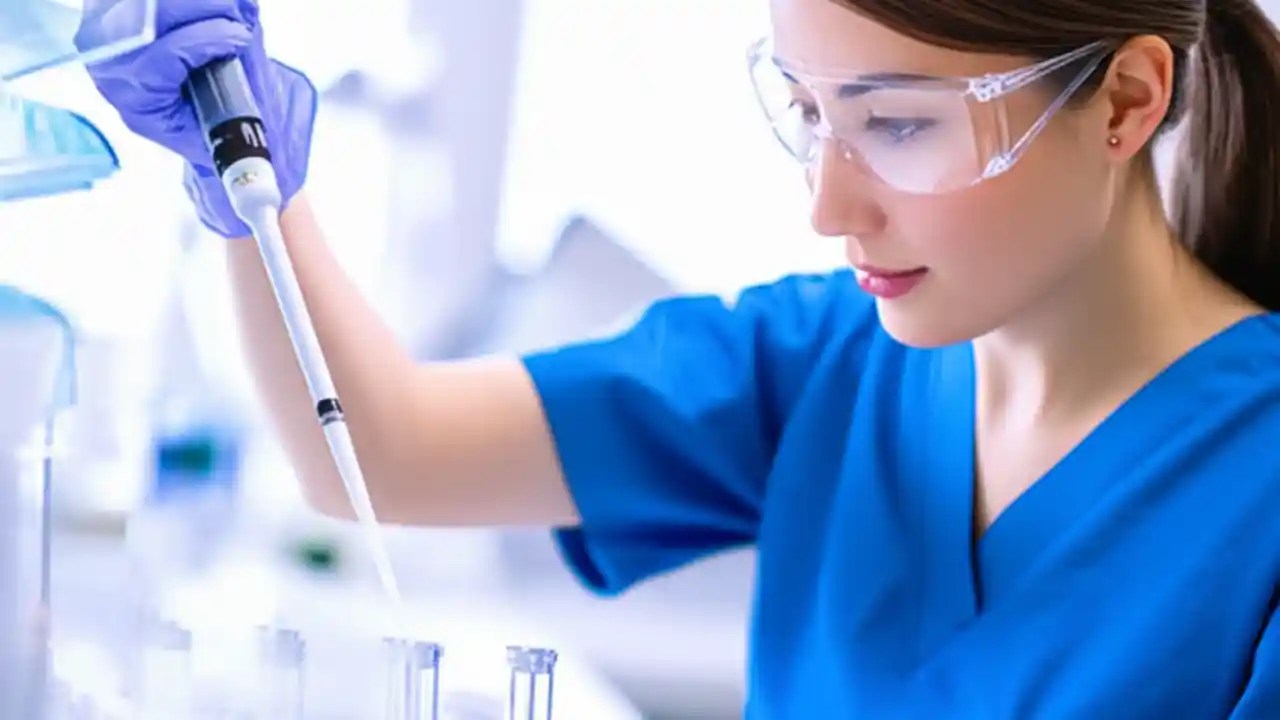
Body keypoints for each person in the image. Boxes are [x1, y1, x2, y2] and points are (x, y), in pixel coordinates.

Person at [84, 0, 1280, 716]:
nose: (827, 205)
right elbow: (377, 454)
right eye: (810, 115)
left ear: (1124, 100)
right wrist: (251, 192)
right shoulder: (823, 358)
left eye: (898, 124)